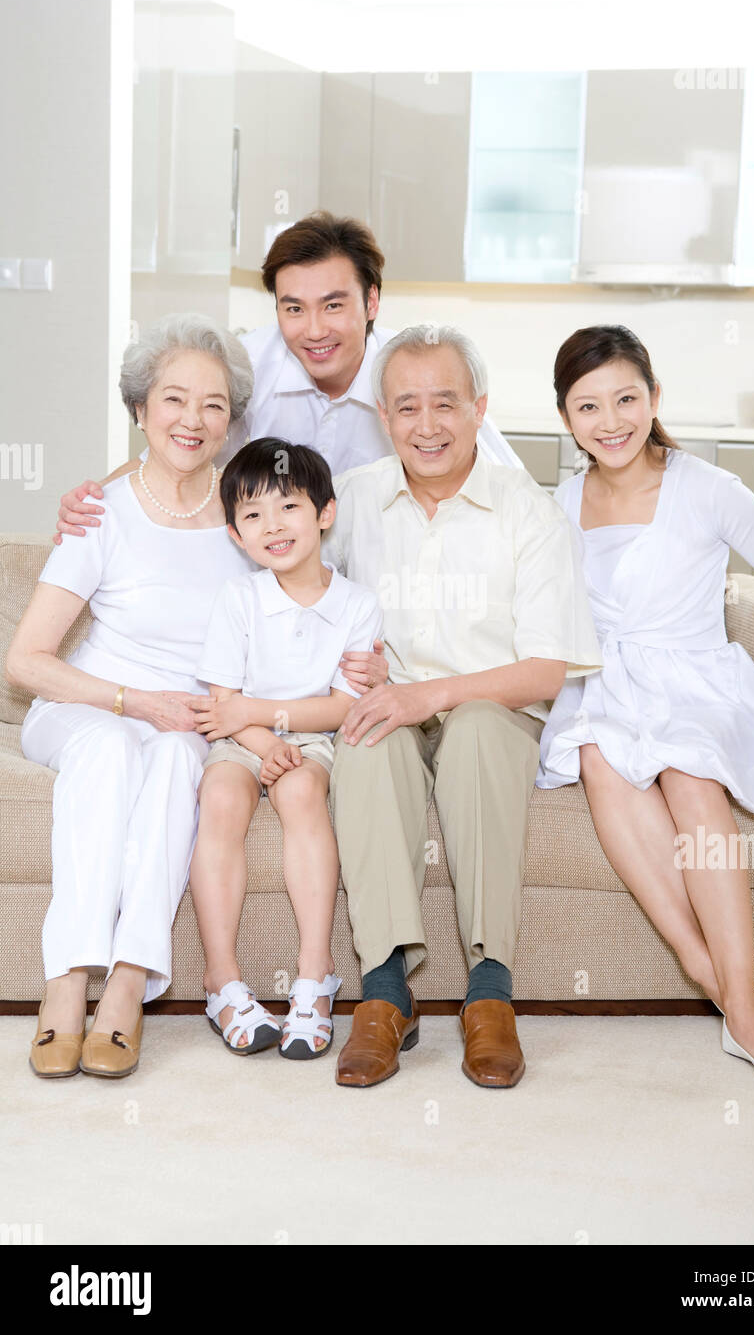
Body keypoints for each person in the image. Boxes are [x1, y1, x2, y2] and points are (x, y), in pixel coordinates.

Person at [536, 323, 754, 1092]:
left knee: (691, 778)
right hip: (605, 681)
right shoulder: (560, 502)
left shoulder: (708, 488)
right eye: (588, 406)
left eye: (625, 399)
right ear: (565, 417)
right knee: (601, 759)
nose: (610, 422)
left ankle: (737, 1003)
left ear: (654, 398)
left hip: (695, 680)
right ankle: (730, 994)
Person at [323, 324, 602, 1089]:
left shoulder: (529, 510)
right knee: (367, 734)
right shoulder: (348, 502)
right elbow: (245, 524)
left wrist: (433, 694)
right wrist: (111, 496)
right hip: (395, 708)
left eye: (445, 404)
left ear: (480, 408)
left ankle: (489, 995)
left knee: (476, 728)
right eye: (407, 406)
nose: (427, 425)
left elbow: (545, 670)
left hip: (495, 709)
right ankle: (385, 995)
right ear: (383, 416)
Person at [6, 314, 257, 1078]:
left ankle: (125, 984)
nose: (193, 419)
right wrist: (133, 700)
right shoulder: (101, 512)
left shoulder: (250, 522)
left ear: (230, 421)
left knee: (184, 758)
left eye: (214, 404)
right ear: (142, 409)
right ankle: (66, 980)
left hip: (181, 723)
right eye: (174, 399)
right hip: (86, 706)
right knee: (115, 746)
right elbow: (27, 661)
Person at [53, 212, 522, 541]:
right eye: (293, 308)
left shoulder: (414, 371)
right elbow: (172, 451)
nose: (314, 330)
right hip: (265, 572)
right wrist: (96, 497)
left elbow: (505, 482)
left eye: (334, 305)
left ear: (372, 301)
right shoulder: (245, 365)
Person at [186, 438, 384, 1059]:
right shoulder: (239, 599)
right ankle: (222, 979)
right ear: (234, 534)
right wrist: (259, 736)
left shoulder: (357, 604)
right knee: (219, 795)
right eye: (252, 516)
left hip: (310, 737)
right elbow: (223, 700)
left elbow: (342, 705)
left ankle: (313, 976)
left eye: (288, 507)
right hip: (242, 735)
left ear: (325, 512)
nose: (272, 526)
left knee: (301, 792)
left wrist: (270, 722)